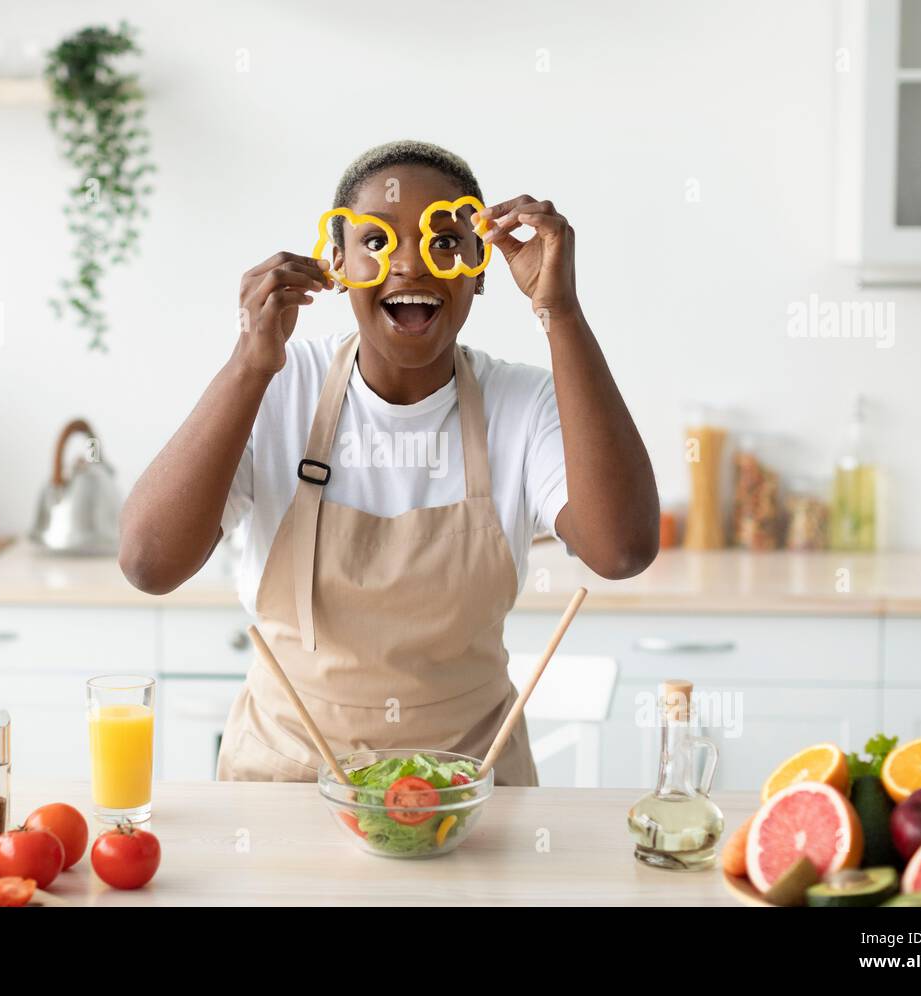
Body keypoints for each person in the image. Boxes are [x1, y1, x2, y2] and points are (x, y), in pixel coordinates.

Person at [120, 140, 658, 784]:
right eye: (376, 242)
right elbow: (149, 564)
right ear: (337, 264)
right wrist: (247, 364)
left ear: (481, 268)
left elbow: (621, 550)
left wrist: (559, 310)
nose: (409, 264)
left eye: (446, 242)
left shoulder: (524, 401)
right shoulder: (278, 384)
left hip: (468, 797)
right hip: (283, 789)